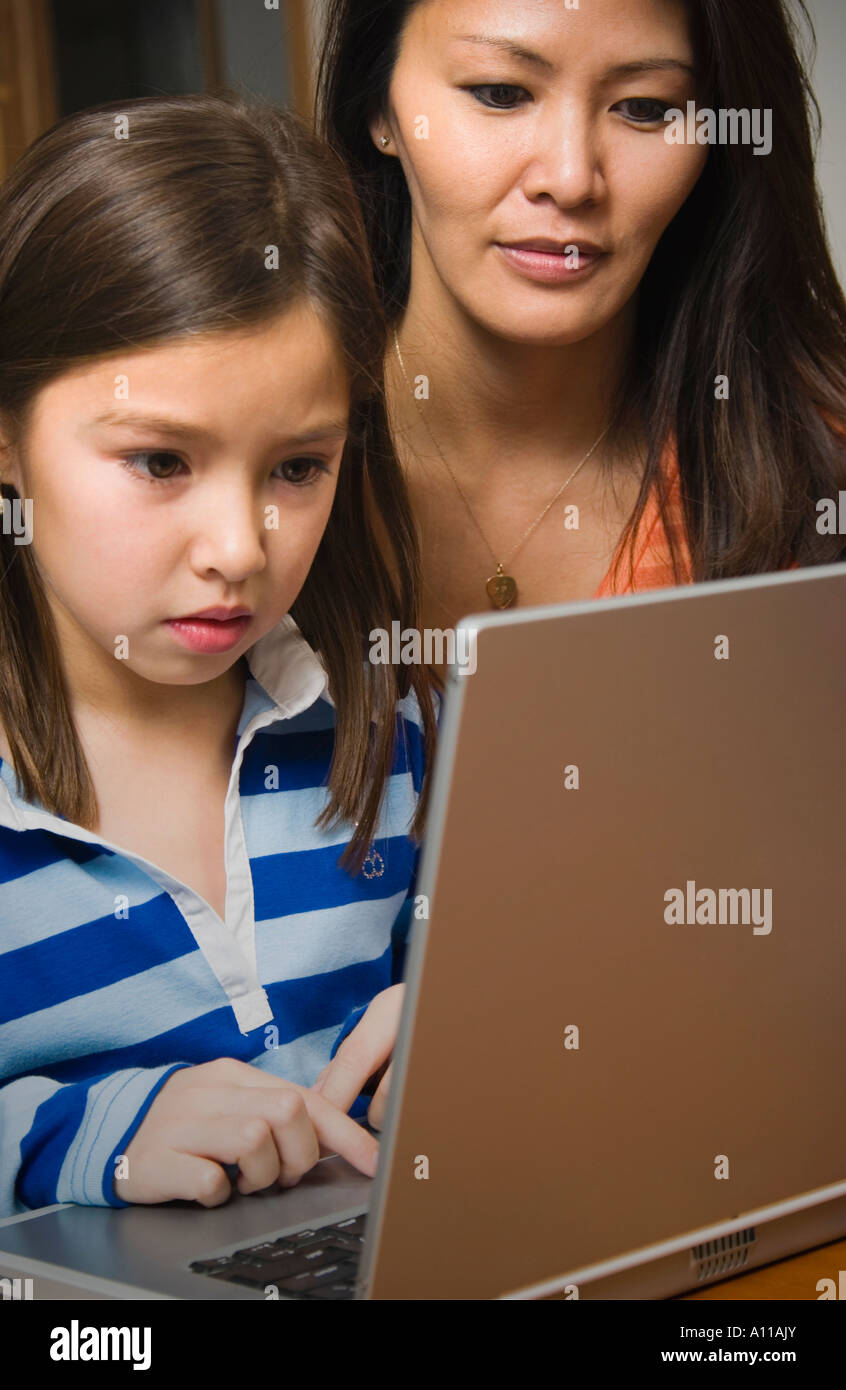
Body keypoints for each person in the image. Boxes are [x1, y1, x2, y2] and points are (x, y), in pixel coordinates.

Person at [311, 0, 846, 1111]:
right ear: (379, 108)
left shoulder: (811, 469)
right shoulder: (231, 487)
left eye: (647, 108)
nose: (571, 175)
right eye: (500, 93)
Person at [0, 92, 437, 1217]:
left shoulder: (388, 728)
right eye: (159, 461)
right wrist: (86, 1131)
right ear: (7, 440)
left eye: (298, 468)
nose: (241, 549)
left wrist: (479, 1020)